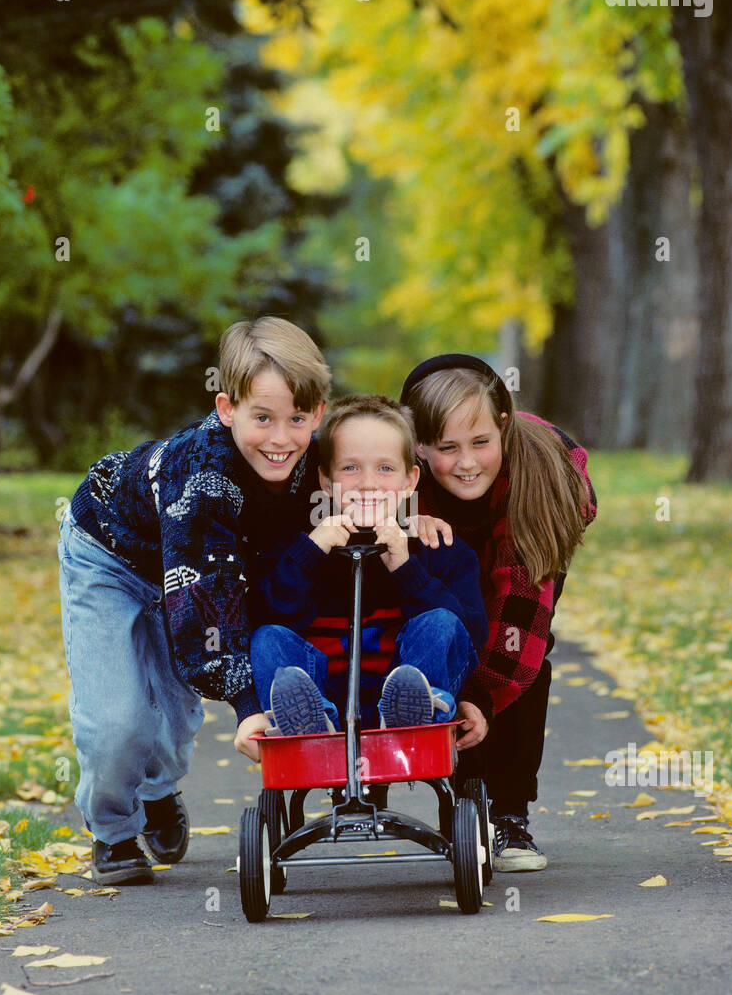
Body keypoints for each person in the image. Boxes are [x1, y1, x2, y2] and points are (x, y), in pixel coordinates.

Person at [57, 315, 331, 885]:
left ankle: (159, 791)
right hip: (108, 555)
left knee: (176, 722)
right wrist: (249, 705)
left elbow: (381, 470)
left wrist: (411, 514)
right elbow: (206, 604)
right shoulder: (199, 476)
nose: (280, 439)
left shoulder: (318, 463)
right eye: (262, 418)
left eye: (296, 420)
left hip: (197, 567)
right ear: (226, 408)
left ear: (319, 413)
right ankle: (111, 830)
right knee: (119, 719)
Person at [399, 354, 597, 872]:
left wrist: (483, 696)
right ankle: (465, 799)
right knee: (450, 638)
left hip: (524, 529)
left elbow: (518, 607)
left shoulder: (545, 474)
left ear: (502, 428)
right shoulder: (397, 476)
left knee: (518, 655)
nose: (467, 461)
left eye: (480, 442)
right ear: (419, 446)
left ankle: (510, 815)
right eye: (447, 448)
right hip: (440, 542)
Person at [242, 394, 490, 750]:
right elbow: (260, 619)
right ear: (326, 482)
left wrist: (407, 570)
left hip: (403, 691)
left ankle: (414, 709)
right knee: (267, 637)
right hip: (323, 693)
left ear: (410, 480)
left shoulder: (437, 547)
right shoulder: (301, 547)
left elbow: (469, 638)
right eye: (350, 468)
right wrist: (309, 554)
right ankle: (311, 720)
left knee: (441, 622)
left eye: (386, 469)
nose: (368, 483)